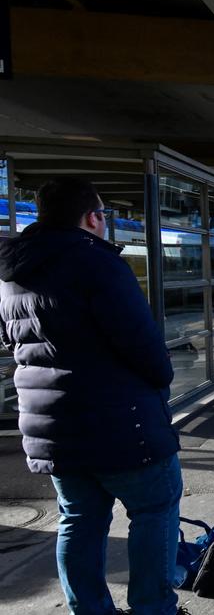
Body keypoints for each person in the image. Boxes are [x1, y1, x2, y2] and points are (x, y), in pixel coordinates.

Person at [0, 178, 181, 614]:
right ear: (93, 218)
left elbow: (13, 342)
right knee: (155, 509)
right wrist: (162, 379)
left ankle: (90, 610)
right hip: (123, 426)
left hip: (54, 431)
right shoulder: (97, 263)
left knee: (78, 520)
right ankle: (153, 609)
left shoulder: (9, 273)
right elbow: (143, 345)